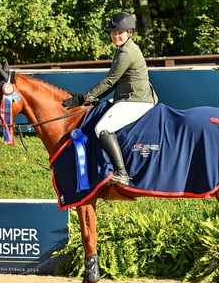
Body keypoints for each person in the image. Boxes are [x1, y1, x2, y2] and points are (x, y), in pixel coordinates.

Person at [61, 11, 157, 186]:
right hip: (127, 97)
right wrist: (91, 99)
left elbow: (110, 80)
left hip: (136, 100)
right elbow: (114, 83)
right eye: (113, 33)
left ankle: (121, 173)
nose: (115, 36)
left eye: (120, 33)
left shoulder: (127, 52)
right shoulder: (122, 49)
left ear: (129, 33)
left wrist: (85, 97)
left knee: (102, 128)